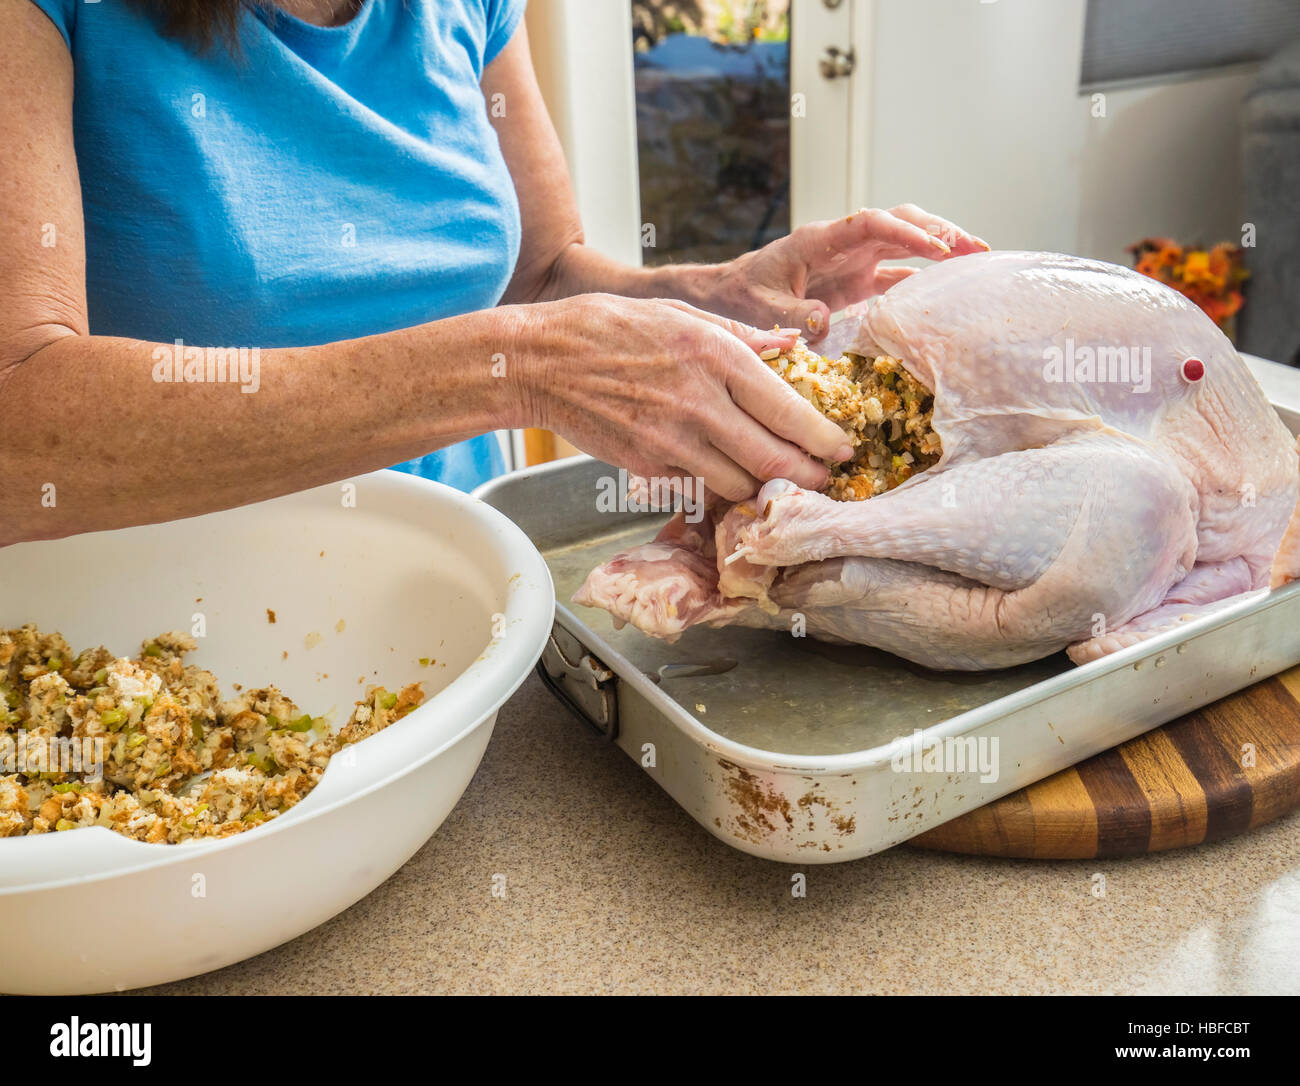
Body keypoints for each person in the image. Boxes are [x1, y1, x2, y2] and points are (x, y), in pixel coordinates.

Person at [0, 0, 986, 546]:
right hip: (160, 629)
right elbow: (18, 425)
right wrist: (507, 369)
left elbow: (541, 277)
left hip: (458, 575)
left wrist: (713, 293)